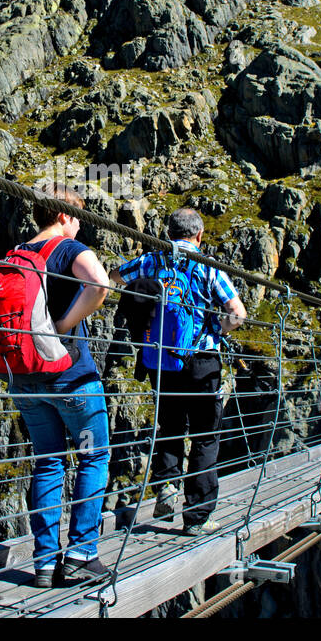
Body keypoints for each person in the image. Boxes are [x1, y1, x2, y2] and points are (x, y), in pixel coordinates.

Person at [110, 208, 246, 536]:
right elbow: (237, 313)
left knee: (169, 424)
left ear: (168, 233)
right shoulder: (209, 267)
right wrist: (217, 328)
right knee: (204, 436)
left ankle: (167, 488)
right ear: (199, 235)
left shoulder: (151, 260)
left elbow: (113, 277)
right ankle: (198, 516)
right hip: (202, 361)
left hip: (161, 360)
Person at [7, 183, 112, 587]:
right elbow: (100, 285)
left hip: (25, 380)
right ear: (65, 217)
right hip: (71, 377)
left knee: (49, 461)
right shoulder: (67, 249)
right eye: (79, 218)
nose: (80, 226)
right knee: (93, 457)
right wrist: (64, 327)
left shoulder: (14, 254)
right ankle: (83, 554)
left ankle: (45, 563)